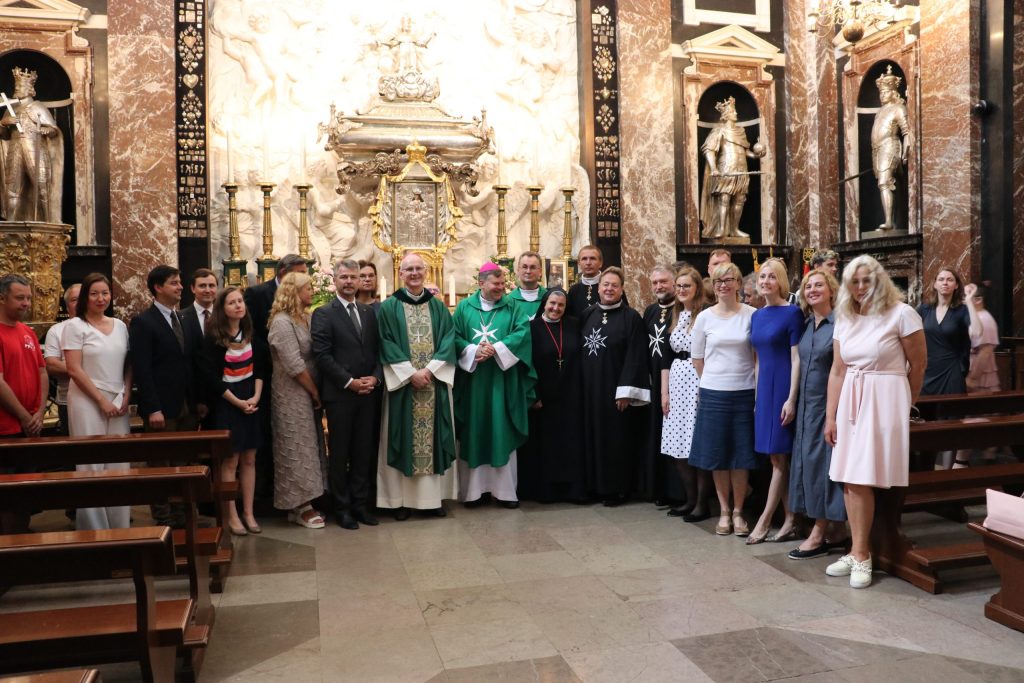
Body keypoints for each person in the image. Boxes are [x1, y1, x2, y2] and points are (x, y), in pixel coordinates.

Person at [825, 254, 926, 589]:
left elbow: (919, 364)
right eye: (854, 281)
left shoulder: (902, 314)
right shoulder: (845, 317)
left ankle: (862, 553)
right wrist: (831, 416)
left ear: (880, 279)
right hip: (851, 397)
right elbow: (838, 370)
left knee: (864, 476)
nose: (860, 287)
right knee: (849, 478)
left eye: (867, 279)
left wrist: (905, 405)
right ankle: (858, 552)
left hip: (884, 398)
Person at [376, 253, 458, 520]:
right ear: (400, 273)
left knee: (433, 440)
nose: (414, 273)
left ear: (426, 272)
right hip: (403, 386)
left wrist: (429, 371)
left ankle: (430, 500)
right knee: (400, 437)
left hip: (432, 384)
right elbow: (385, 342)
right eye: (408, 269)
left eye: (418, 269)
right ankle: (399, 501)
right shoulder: (389, 307)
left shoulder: (437, 306)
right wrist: (410, 374)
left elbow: (448, 339)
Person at [452, 262, 535, 508]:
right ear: (481, 283)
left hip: (503, 381)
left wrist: (496, 349)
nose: (500, 288)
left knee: (502, 428)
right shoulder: (464, 307)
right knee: (474, 430)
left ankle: (505, 493)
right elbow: (453, 336)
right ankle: (473, 493)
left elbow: (523, 334)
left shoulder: (513, 307)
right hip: (474, 382)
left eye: (502, 284)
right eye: (496, 284)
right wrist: (473, 350)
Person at [311, 259, 383, 530]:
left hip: (368, 394)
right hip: (341, 394)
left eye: (354, 277)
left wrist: (375, 378)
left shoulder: (368, 312)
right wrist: (350, 382)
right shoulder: (324, 313)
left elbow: (378, 351)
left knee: (364, 451)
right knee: (340, 453)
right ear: (336, 281)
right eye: (344, 277)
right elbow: (322, 355)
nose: (350, 281)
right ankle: (342, 508)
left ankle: (361, 506)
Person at [689, 262, 757, 537]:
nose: (723, 285)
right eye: (718, 281)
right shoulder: (705, 317)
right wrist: (713, 381)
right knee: (718, 455)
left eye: (729, 280)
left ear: (739, 284)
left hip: (744, 391)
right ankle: (724, 511)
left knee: (740, 456)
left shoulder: (752, 315)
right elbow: (697, 358)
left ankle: (739, 512)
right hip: (714, 392)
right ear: (713, 286)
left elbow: (756, 356)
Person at [129, 265, 198, 527]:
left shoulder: (181, 318)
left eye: (180, 282)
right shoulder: (144, 322)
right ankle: (163, 517)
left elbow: (187, 362)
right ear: (158, 287)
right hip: (162, 407)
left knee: (182, 462)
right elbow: (142, 370)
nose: (180, 287)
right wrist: (153, 408)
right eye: (174, 283)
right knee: (160, 464)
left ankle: (181, 515)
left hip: (185, 405)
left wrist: (196, 402)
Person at [64, 273, 132, 530]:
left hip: (118, 399)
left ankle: (120, 529)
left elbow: (127, 364)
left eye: (105, 293)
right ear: (85, 298)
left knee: (119, 465)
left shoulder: (120, 325)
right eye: (94, 294)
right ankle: (95, 533)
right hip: (87, 399)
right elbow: (74, 369)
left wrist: (126, 393)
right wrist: (101, 401)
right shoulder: (75, 326)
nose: (100, 298)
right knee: (91, 465)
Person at [198, 286, 267, 536]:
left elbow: (260, 369)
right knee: (231, 460)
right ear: (222, 309)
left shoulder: (251, 334)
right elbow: (211, 379)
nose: (238, 306)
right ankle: (231, 514)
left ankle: (248, 512)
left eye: (240, 301)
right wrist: (238, 402)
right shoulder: (213, 340)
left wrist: (256, 397)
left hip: (252, 399)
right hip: (227, 403)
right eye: (232, 303)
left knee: (250, 458)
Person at [788, 269, 848, 560]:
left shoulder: (841, 324)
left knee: (824, 466)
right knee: (809, 466)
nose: (812, 290)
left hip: (829, 408)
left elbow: (841, 369)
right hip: (806, 407)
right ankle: (833, 528)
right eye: (808, 286)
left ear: (831, 289)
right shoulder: (807, 324)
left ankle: (819, 531)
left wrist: (832, 414)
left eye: (818, 285)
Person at [579, 267, 650, 505]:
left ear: (622, 289)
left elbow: (636, 356)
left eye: (614, 285)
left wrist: (626, 392)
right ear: (598, 288)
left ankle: (617, 488)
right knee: (592, 437)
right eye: (605, 285)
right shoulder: (587, 314)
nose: (609, 289)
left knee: (616, 439)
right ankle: (594, 486)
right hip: (590, 390)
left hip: (616, 390)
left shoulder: (631, 318)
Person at [746, 259, 804, 545]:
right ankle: (791, 519)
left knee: (780, 457)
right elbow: (757, 361)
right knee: (775, 457)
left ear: (780, 281)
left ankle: (764, 520)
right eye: (762, 277)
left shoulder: (792, 313)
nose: (765, 281)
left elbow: (796, 360)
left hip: (783, 387)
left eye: (771, 277)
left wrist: (791, 399)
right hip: (765, 390)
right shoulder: (757, 316)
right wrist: (757, 397)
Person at [244, 253, 309, 508]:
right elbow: (251, 332)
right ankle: (264, 495)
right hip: (268, 373)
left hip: (293, 378)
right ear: (283, 273)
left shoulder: (303, 302)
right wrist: (278, 352)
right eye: (300, 273)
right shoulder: (257, 294)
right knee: (267, 436)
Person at [268, 272, 326, 529]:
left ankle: (311, 498)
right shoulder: (281, 322)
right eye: (308, 288)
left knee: (311, 444)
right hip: (291, 392)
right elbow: (293, 363)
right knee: (296, 445)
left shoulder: (307, 317)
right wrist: (315, 391)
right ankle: (298, 504)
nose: (312, 292)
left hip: (309, 389)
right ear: (294, 291)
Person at [520, 288, 586, 502]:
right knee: (545, 445)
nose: (555, 308)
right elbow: (526, 364)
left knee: (570, 444)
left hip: (571, 395)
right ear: (544, 303)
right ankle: (545, 491)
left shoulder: (574, 325)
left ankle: (571, 490)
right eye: (552, 303)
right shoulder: (532, 328)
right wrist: (534, 394)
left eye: (561, 305)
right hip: (543, 398)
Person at [661, 267, 712, 521]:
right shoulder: (675, 314)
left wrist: (706, 385)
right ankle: (689, 499)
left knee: (696, 445)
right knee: (677, 446)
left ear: (697, 289)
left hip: (698, 378)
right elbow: (666, 357)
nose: (681, 290)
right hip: (677, 380)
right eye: (678, 286)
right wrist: (664, 392)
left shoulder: (705, 315)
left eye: (686, 286)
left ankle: (702, 504)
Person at [0, 274, 47, 534]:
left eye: (28, 298)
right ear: (2, 298)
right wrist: (24, 416)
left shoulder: (27, 331)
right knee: (7, 493)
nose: (26, 303)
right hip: (6, 428)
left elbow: (42, 373)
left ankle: (22, 543)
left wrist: (39, 413)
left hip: (30, 426)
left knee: (27, 491)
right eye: (20, 298)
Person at [640, 264, 683, 505]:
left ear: (674, 282)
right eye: (655, 282)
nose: (659, 286)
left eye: (663, 282)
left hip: (676, 382)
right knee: (655, 434)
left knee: (674, 435)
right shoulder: (650, 311)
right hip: (653, 381)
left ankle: (677, 492)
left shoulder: (682, 310)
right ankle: (657, 490)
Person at [699, 96, 767, 239]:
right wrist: (714, 169)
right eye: (733, 112)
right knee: (724, 198)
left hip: (741, 170)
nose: (736, 114)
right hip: (725, 169)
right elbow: (709, 150)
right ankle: (722, 229)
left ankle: (735, 229)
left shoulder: (741, 131)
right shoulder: (719, 131)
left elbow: (744, 151)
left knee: (740, 199)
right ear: (726, 115)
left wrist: (756, 156)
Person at [1, 67, 63, 223]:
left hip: (35, 149)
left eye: (20, 86)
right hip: (15, 150)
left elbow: (54, 129)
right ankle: (10, 225)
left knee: (42, 189)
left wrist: (45, 130)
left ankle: (48, 222)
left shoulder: (38, 107)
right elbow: (4, 136)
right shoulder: (10, 110)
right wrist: (3, 123)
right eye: (16, 86)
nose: (17, 89)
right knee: (12, 191)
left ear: (30, 89)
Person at [917, 267, 980, 397]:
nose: (945, 282)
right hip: (927, 371)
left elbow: (977, 332)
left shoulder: (962, 310)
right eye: (941, 279)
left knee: (951, 413)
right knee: (926, 414)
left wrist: (969, 302)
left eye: (950, 280)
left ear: (956, 285)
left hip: (952, 371)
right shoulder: (924, 309)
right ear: (935, 284)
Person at [871, 66, 911, 231]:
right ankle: (888, 220)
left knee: (885, 182)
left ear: (893, 92)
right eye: (881, 92)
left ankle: (889, 221)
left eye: (885, 92)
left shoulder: (898, 108)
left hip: (890, 145)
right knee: (882, 184)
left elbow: (906, 130)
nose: (882, 95)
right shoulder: (880, 112)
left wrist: (906, 148)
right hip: (877, 149)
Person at [182, 268, 218, 426]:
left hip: (222, 394)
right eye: (202, 286)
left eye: (212, 285)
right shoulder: (181, 318)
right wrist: (197, 399)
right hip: (192, 396)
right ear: (192, 288)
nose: (208, 290)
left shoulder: (225, 315)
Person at [43, 283, 80, 435]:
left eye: (83, 297)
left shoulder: (109, 326)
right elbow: (51, 366)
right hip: (69, 401)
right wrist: (90, 370)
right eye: (74, 299)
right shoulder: (57, 331)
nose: (80, 302)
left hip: (107, 400)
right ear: (67, 306)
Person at [966, 284, 1000, 394]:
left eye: (967, 296)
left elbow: (985, 352)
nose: (964, 300)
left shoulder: (985, 319)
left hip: (980, 379)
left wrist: (972, 379)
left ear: (978, 300)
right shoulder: (974, 316)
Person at [509, 251, 546, 319]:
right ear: (518, 270)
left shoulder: (548, 298)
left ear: (540, 272)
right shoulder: (509, 300)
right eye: (524, 267)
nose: (528, 271)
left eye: (532, 267)